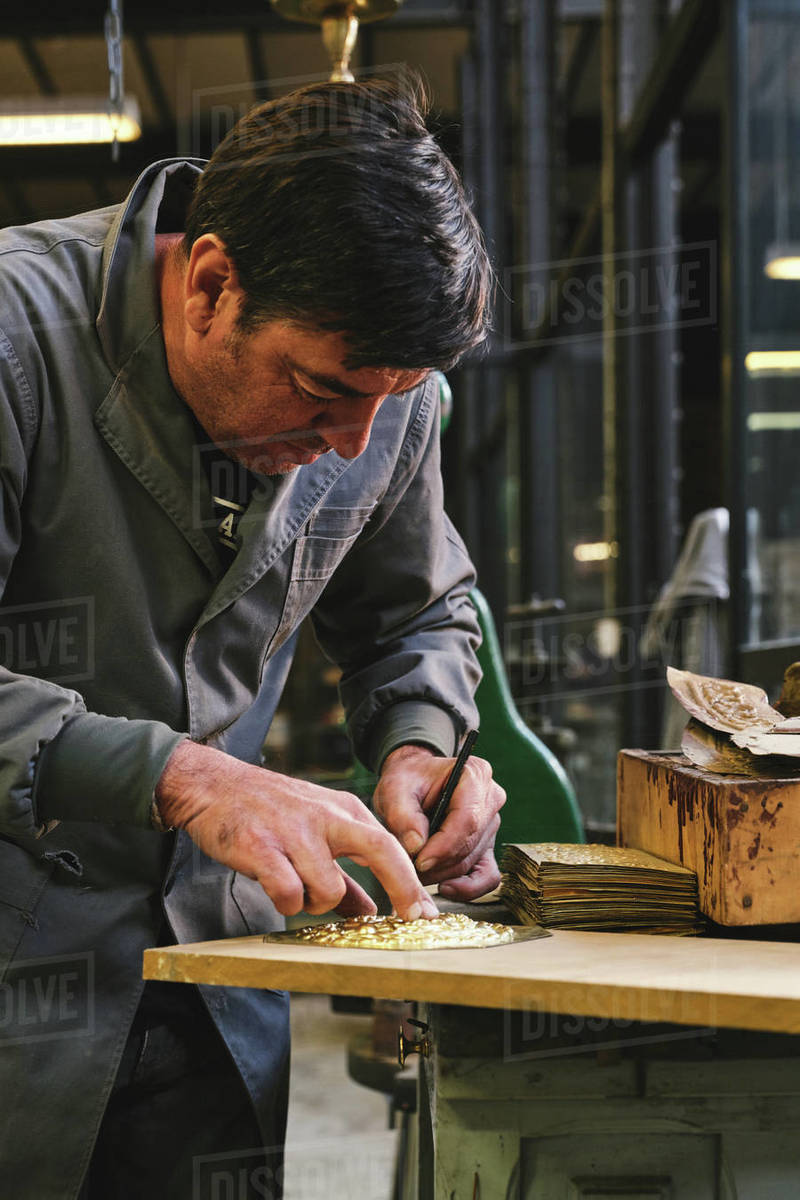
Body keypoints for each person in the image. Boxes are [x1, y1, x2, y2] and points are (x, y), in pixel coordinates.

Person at [0, 75, 504, 1198]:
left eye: (389, 401)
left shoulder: (380, 398)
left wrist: (420, 746)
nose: (353, 444)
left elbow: (415, 613)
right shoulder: (15, 344)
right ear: (210, 284)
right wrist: (182, 778)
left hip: (216, 996)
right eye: (320, 391)